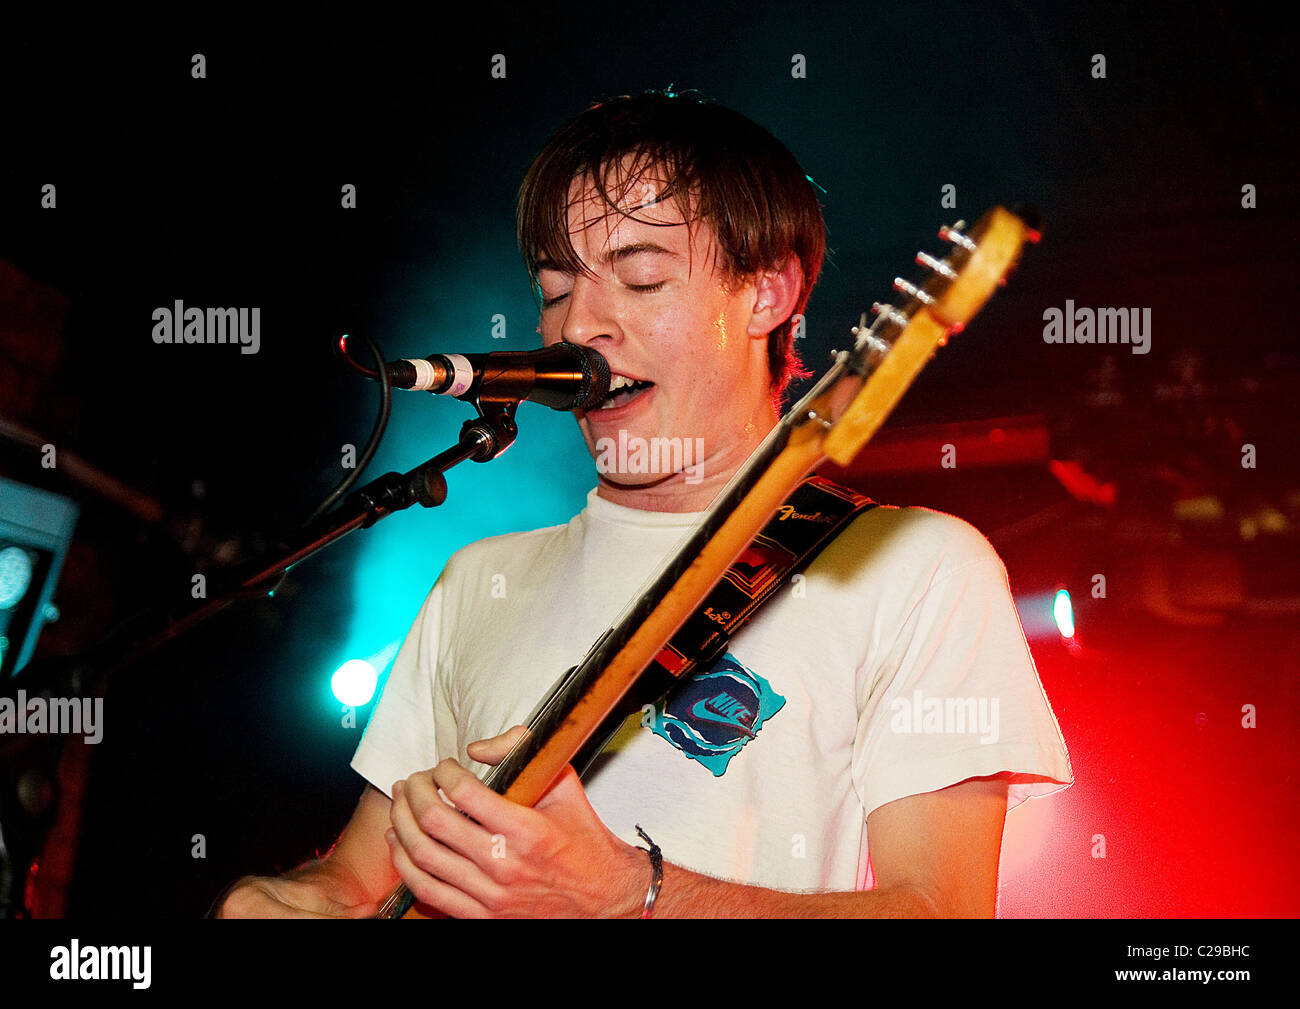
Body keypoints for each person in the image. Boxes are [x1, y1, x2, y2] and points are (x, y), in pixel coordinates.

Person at [216, 90, 1072, 919]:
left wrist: (630, 893)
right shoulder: (478, 581)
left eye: (641, 278)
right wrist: (287, 899)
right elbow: (356, 883)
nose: (580, 326)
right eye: (555, 289)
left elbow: (943, 912)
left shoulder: (913, 568)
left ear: (768, 294)